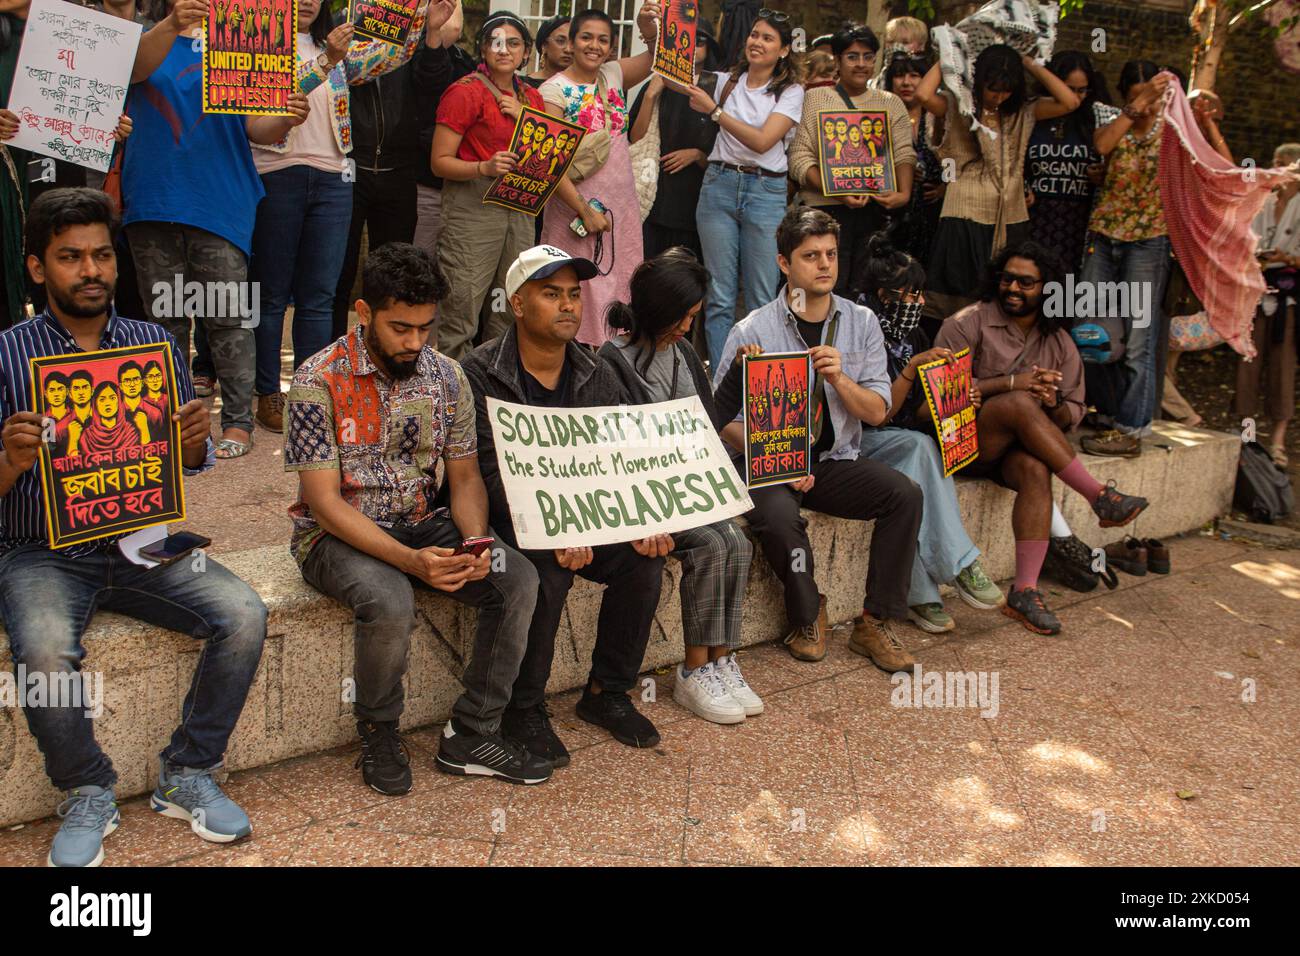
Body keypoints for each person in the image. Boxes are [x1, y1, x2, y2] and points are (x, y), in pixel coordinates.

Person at [0, 188, 266, 867]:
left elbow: (187, 463)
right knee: (45, 655)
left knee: (242, 612)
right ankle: (86, 788)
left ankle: (190, 771)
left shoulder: (152, 344)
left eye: (99, 256)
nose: (90, 271)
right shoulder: (7, 355)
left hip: (143, 540)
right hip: (41, 550)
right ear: (37, 268)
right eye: (69, 258)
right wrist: (11, 460)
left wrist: (193, 441)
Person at [284, 242, 551, 790]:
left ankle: (473, 732)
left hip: (422, 519)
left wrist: (475, 545)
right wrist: (411, 561)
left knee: (518, 578)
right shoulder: (316, 380)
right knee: (390, 597)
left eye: (425, 327)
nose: (414, 341)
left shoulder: (447, 376)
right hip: (336, 535)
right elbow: (324, 503)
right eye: (400, 327)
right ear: (364, 313)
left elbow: (466, 477)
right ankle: (379, 729)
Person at [462, 245, 668, 764]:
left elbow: (623, 455)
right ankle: (523, 707)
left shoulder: (597, 369)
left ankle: (607, 694)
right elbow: (488, 472)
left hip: (584, 515)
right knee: (547, 575)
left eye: (574, 295)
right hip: (512, 521)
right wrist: (553, 529)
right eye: (550, 294)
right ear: (517, 303)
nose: (568, 306)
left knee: (646, 558)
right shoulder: (480, 371)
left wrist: (645, 519)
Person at [715, 207, 923, 671]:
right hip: (766, 462)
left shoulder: (861, 322)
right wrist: (776, 455)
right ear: (785, 264)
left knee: (904, 495)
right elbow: (719, 418)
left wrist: (840, 379)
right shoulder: (751, 330)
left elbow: (878, 410)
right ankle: (809, 613)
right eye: (811, 256)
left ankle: (875, 623)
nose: (825, 264)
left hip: (831, 461)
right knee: (776, 515)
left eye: (830, 253)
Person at [123, 0, 311, 459]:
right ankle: (173, 422)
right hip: (153, 195)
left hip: (222, 199)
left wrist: (288, 114)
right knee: (164, 321)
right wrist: (172, 24)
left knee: (229, 318)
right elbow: (133, 72)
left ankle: (237, 422)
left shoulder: (246, 42)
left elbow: (258, 129)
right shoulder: (142, 37)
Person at [934, 241, 1151, 636]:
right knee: (1017, 402)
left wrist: (1050, 404)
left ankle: (1025, 590)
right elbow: (939, 397)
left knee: (1036, 468)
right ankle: (1099, 495)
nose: (1013, 288)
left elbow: (1074, 412)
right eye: (1008, 279)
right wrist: (1012, 384)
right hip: (962, 445)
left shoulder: (1059, 342)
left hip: (1014, 455)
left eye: (1027, 283)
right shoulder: (967, 323)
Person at [597, 249, 761, 724]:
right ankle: (693, 671)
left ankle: (720, 659)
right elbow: (615, 450)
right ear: (659, 311)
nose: (688, 328)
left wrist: (734, 377)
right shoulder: (611, 363)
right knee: (713, 543)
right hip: (643, 497)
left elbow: (706, 424)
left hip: (684, 489)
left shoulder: (682, 352)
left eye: (693, 317)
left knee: (736, 538)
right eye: (683, 317)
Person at [856, 234, 1005, 633]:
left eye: (921, 294)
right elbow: (877, 417)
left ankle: (921, 592)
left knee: (918, 467)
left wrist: (956, 398)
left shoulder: (913, 337)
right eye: (911, 294)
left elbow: (914, 412)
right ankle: (960, 563)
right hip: (855, 440)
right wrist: (909, 370)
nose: (919, 303)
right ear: (883, 295)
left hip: (897, 442)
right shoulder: (860, 328)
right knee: (919, 448)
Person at [434, 11, 597, 359]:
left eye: (513, 43)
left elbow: (549, 160)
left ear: (526, 53)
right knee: (462, 308)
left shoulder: (532, 98)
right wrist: (484, 166)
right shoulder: (464, 92)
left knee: (509, 308)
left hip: (521, 210)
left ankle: (498, 391)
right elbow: (439, 162)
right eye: (495, 42)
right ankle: (456, 401)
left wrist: (524, 117)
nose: (503, 49)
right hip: (473, 210)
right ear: (482, 50)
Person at [328, 0, 463, 343]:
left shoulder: (413, 31)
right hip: (348, 167)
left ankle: (389, 351)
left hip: (400, 169)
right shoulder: (338, 25)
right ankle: (332, 356)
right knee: (337, 272)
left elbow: (433, 87)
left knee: (396, 273)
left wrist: (431, 33)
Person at [915, 44, 1082, 319]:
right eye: (993, 88)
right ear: (979, 82)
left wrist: (1027, 61)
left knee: (1003, 297)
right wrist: (952, 51)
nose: (999, 96)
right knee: (955, 298)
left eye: (1007, 90)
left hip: (1010, 216)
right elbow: (923, 93)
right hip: (963, 213)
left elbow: (1070, 102)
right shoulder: (959, 105)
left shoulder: (1025, 112)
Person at [686, 8, 804, 369]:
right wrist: (652, 31)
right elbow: (676, 77)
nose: (757, 42)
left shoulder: (791, 91)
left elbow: (764, 141)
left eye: (768, 38)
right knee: (719, 294)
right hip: (719, 184)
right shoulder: (727, 81)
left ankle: (759, 378)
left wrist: (716, 112)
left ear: (783, 50)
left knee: (761, 295)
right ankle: (723, 378)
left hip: (765, 190)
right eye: (754, 35)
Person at [538, 4, 660, 348]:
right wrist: (583, 209)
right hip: (576, 210)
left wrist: (646, 25)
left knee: (621, 280)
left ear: (611, 47)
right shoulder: (554, 90)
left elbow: (657, 57)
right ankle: (577, 360)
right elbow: (551, 164)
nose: (594, 45)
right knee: (579, 284)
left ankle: (612, 360)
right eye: (586, 37)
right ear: (571, 44)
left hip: (620, 209)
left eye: (603, 40)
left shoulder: (613, 75)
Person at [1077, 61, 1175, 457]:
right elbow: (1100, 146)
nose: (1145, 103)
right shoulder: (1115, 122)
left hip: (1148, 242)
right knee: (1088, 329)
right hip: (1103, 236)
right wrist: (1138, 104)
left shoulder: (1171, 131)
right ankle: (1093, 409)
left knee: (1139, 338)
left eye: (1149, 95)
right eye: (1135, 94)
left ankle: (1131, 427)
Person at [788, 25, 914, 301]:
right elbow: (799, 157)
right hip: (824, 212)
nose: (861, 64)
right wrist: (836, 190)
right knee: (821, 287)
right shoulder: (815, 98)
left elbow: (904, 152)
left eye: (868, 57)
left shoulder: (890, 103)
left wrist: (903, 193)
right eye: (852, 56)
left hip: (874, 211)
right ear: (837, 59)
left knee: (863, 291)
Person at [628, 17, 724, 262]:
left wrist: (696, 154)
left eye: (699, 41)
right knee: (649, 272)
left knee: (686, 278)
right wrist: (651, 94)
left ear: (709, 48)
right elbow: (635, 138)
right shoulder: (658, 84)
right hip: (655, 198)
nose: (692, 47)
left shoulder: (718, 87)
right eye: (687, 41)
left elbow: (728, 147)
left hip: (697, 202)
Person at [1236, 141, 1300, 469]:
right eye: (1276, 162)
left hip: (1288, 294)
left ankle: (1277, 441)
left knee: (1282, 367)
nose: (1278, 169)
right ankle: (1246, 434)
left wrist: (1286, 257)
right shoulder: (1263, 199)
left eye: (1284, 164)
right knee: (1248, 363)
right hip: (1255, 288)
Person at [1025, 51, 1114, 275]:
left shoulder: (1102, 116)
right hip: (1034, 218)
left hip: (1079, 224)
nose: (1076, 97)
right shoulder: (1031, 114)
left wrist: (1105, 173)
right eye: (1068, 88)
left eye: (1082, 90)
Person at [881, 47, 944, 285]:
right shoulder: (879, 116)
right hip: (889, 212)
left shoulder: (939, 118)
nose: (906, 82)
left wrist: (944, 186)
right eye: (899, 76)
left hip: (930, 213)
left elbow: (955, 159)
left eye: (915, 76)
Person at [524, 13, 571, 87]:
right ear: (544, 45)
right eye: (560, 41)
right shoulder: (524, 86)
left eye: (573, 43)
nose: (568, 49)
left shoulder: (582, 88)